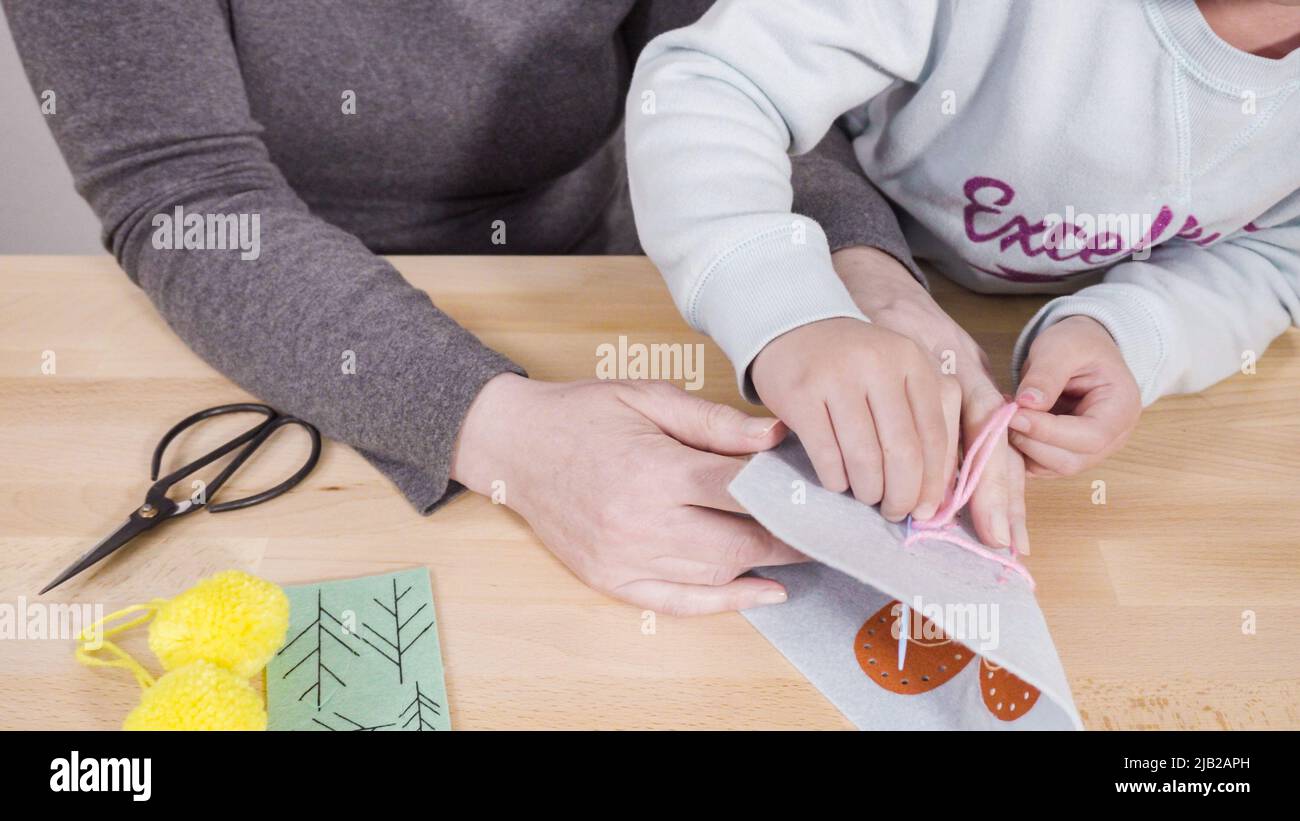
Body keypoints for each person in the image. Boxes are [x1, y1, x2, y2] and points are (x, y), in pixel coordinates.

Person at [5, 0, 919, 614]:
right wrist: (514, 440)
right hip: (259, 331)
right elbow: (183, 194)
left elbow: (744, 78)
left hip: (594, 287)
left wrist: (859, 264)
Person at [627, 0, 1300, 555]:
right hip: (831, 260)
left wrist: (1126, 331)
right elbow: (710, 82)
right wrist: (788, 309)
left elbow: (1279, 254)